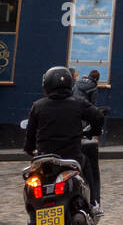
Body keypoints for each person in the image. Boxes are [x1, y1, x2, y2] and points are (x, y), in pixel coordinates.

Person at [26, 65, 106, 212]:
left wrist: (29, 148)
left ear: (47, 85)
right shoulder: (78, 103)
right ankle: (94, 202)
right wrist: (93, 131)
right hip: (71, 157)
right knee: (88, 163)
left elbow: (30, 134)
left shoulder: (38, 106)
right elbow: (98, 116)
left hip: (45, 159)